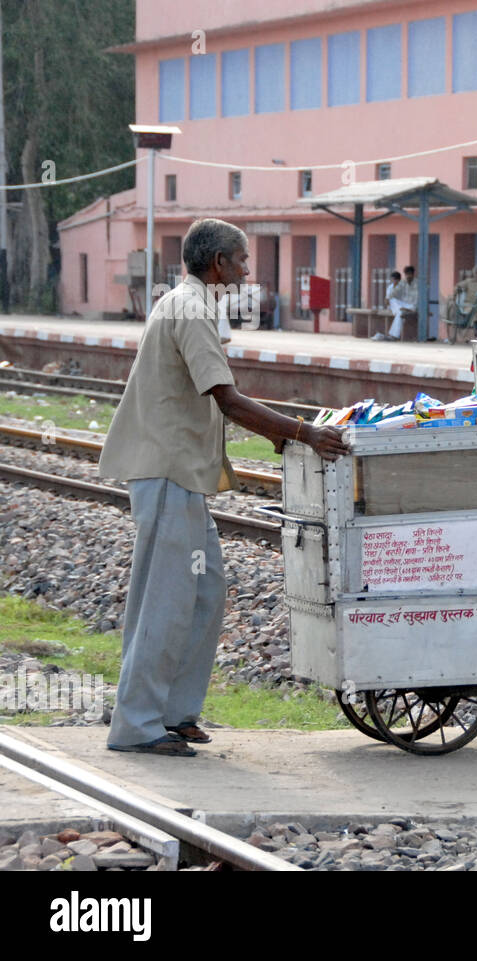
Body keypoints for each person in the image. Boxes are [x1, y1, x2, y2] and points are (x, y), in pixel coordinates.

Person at [98, 218, 349, 757]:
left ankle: (174, 712)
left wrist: (279, 435)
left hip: (182, 474)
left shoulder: (191, 304)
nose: (246, 269)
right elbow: (228, 399)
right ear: (218, 264)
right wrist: (302, 432)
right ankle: (138, 725)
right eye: (240, 259)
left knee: (205, 591)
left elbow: (218, 400)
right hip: (168, 473)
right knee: (165, 601)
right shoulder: (191, 309)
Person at [377, 265, 417, 340]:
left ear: (413, 274)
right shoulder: (397, 285)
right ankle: (393, 335)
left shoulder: (415, 284)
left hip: (410, 306)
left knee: (400, 312)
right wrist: (387, 299)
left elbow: (414, 299)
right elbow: (391, 296)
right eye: (406, 274)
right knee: (398, 308)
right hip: (400, 306)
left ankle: (393, 336)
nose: (408, 276)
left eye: (409, 274)